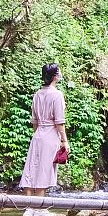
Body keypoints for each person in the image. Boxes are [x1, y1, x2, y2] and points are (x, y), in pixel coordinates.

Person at [19, 62, 68, 200]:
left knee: (31, 169)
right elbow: (59, 122)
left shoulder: (37, 94)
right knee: (44, 172)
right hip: (50, 135)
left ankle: (28, 207)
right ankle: (39, 209)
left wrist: (37, 133)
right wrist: (64, 141)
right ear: (55, 76)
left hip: (38, 134)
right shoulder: (57, 95)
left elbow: (34, 121)